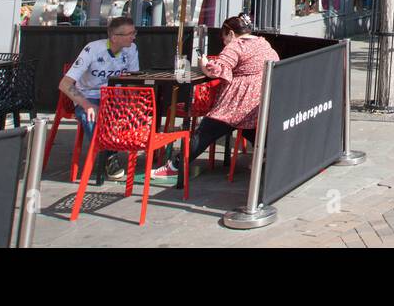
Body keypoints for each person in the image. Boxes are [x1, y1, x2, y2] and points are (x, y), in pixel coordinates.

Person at [151, 15, 279, 184]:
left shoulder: (236, 46)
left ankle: (175, 167)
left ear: (231, 33)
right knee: (250, 127)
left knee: (205, 131)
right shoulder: (262, 43)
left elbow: (215, 71)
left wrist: (203, 63)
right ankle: (271, 152)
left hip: (238, 101)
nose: (224, 41)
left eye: (224, 37)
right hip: (261, 98)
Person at [58, 16, 140, 178]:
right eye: (129, 33)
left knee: (134, 112)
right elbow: (65, 84)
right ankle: (108, 155)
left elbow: (133, 81)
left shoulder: (131, 49)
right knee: (91, 115)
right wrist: (87, 104)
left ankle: (112, 152)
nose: (133, 36)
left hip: (114, 97)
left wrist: (129, 103)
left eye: (134, 32)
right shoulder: (93, 50)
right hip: (88, 95)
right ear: (114, 37)